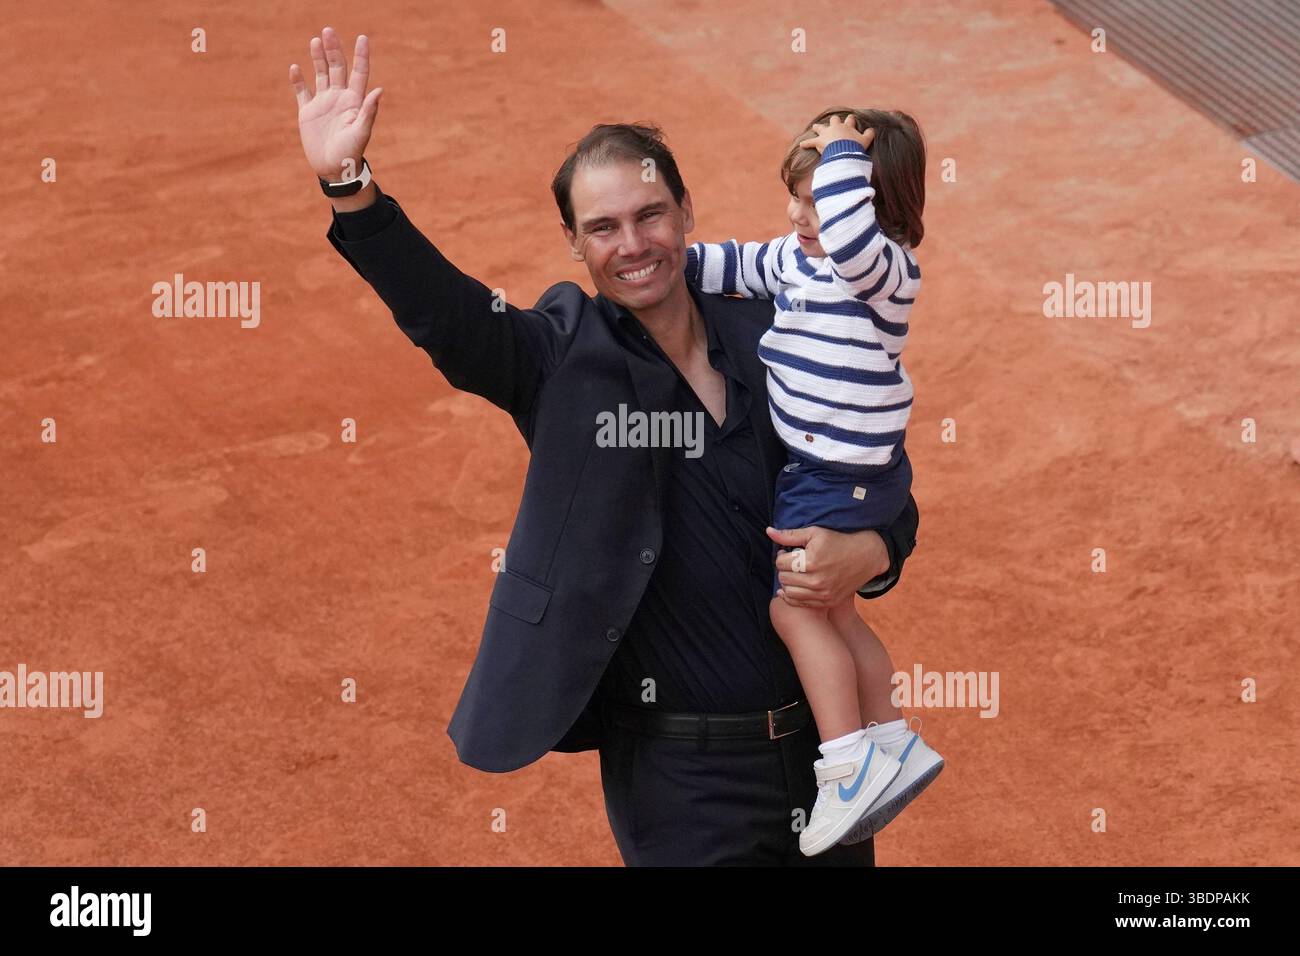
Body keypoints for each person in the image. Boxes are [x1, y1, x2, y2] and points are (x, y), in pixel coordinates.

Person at [289, 28, 920, 865]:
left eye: (650, 214)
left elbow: (875, 472)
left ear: (686, 214)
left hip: (827, 761)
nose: (633, 245)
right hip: (681, 780)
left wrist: (872, 550)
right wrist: (349, 185)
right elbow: (446, 315)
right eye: (604, 227)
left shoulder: (775, 328)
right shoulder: (559, 357)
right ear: (574, 245)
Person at [684, 108, 942, 855]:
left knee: (793, 612)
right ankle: (892, 739)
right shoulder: (795, 258)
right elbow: (730, 264)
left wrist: (839, 159)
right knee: (836, 614)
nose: (802, 215)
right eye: (796, 197)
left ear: (872, 206)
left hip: (841, 473)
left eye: (821, 200)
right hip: (836, 472)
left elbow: (854, 242)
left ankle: (849, 765)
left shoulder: (885, 272)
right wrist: (666, 260)